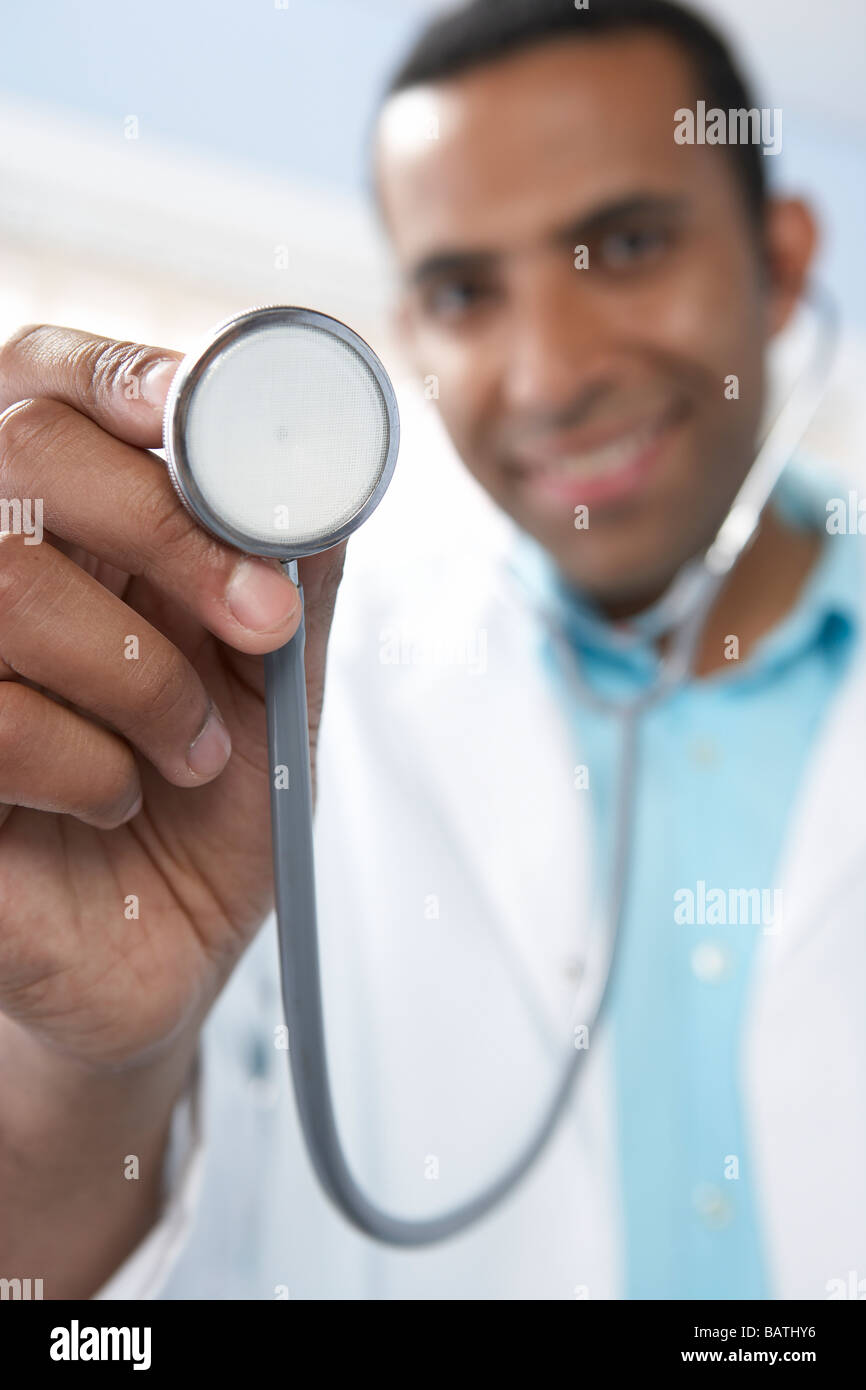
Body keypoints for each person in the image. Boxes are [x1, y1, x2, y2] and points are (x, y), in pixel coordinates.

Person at [1, 0, 864, 1301]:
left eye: (622, 245)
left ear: (782, 260)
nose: (547, 374)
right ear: (410, 332)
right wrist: (92, 1068)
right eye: (463, 292)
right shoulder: (248, 720)